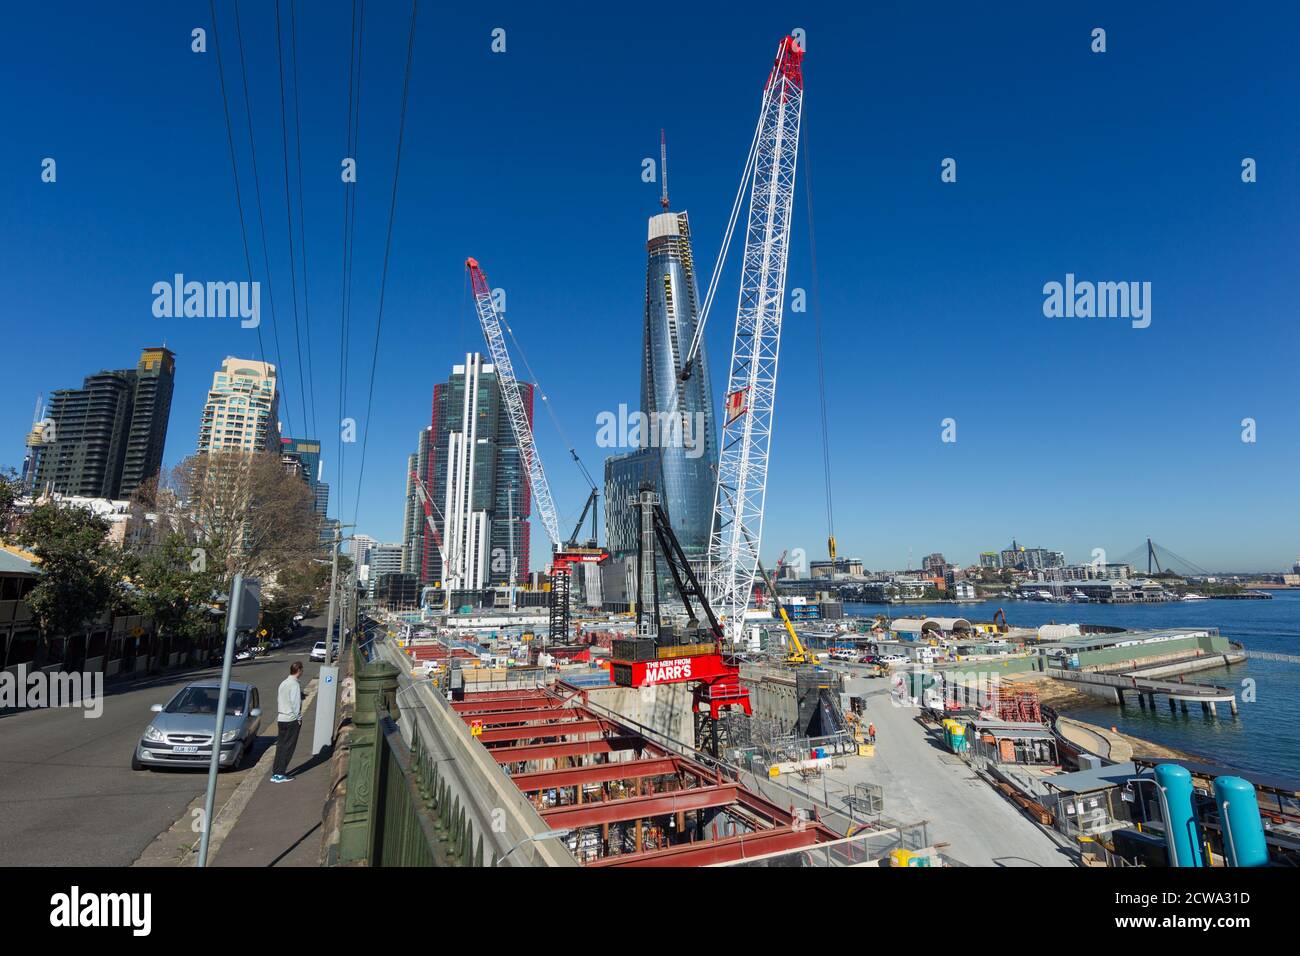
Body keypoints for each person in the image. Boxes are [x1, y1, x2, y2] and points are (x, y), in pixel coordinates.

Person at [271, 662, 304, 783]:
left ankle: (276, 772)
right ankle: (281, 773)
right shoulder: (294, 685)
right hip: (291, 719)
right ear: (299, 670)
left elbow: (280, 699)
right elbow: (295, 704)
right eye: (302, 670)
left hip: (281, 718)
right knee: (288, 747)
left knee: (280, 746)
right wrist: (299, 718)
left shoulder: (283, 683)